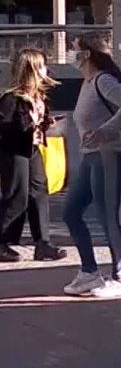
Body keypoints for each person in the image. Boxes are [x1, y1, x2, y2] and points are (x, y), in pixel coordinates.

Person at [61, 35, 121, 297]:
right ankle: (89, 272)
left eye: (75, 49)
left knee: (108, 216)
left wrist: (105, 131)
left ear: (88, 53)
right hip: (92, 156)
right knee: (71, 211)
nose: (72, 54)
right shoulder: (88, 82)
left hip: (109, 156)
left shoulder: (103, 80)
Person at [0, 48, 66, 262]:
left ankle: (43, 243)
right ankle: (2, 241)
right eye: (41, 65)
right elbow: (5, 127)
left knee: (39, 192)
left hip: (34, 148)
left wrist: (45, 123)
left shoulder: (38, 96)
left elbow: (37, 122)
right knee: (17, 196)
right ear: (31, 69)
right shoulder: (11, 99)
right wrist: (27, 127)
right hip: (14, 151)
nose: (46, 69)